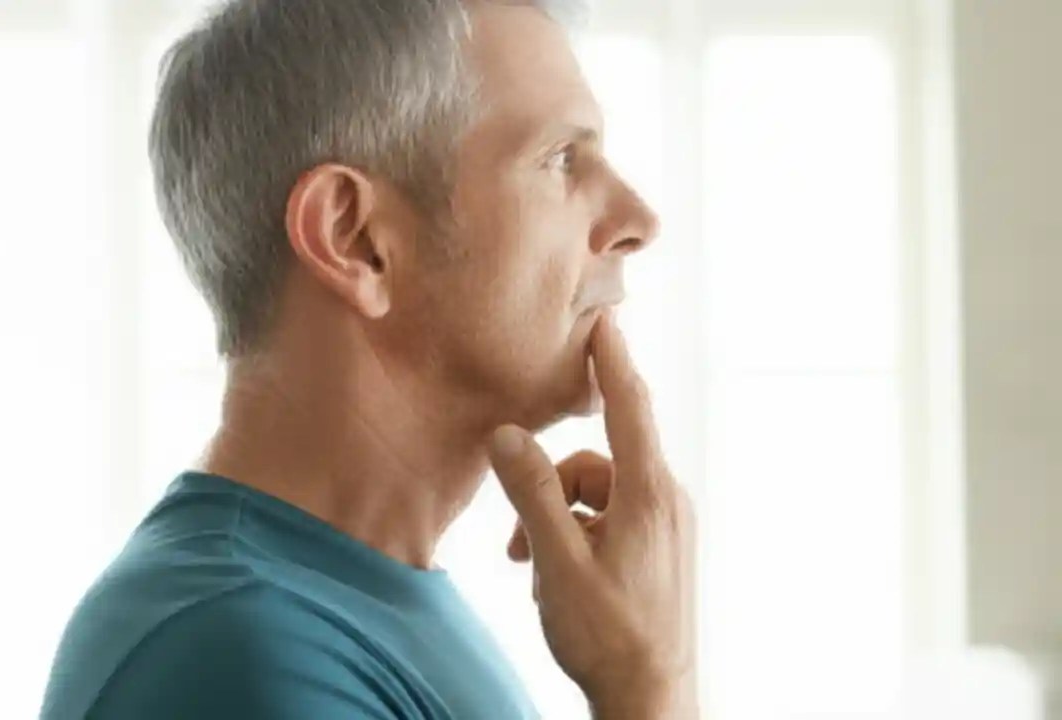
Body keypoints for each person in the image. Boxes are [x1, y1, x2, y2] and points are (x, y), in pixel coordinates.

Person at [39, 0, 697, 717]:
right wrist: (648, 682)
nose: (638, 220)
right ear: (355, 240)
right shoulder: (236, 652)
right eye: (561, 160)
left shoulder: (348, 610)